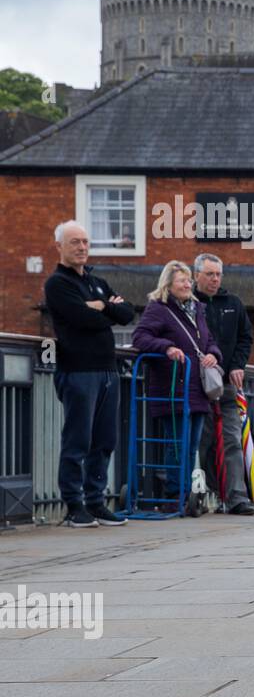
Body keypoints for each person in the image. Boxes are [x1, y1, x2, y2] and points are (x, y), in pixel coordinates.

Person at [44, 220, 134, 528]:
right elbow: (81, 318)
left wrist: (101, 306)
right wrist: (105, 309)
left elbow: (128, 314)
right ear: (59, 247)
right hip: (77, 370)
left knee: (105, 439)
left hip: (108, 370)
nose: (82, 247)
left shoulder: (97, 282)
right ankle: (74, 505)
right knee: (77, 439)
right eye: (74, 242)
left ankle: (96, 502)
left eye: (85, 242)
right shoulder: (57, 284)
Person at [131, 261, 222, 508]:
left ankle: (185, 494)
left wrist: (213, 353)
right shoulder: (158, 309)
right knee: (176, 444)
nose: (187, 284)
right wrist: (167, 347)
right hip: (172, 387)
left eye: (188, 280)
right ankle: (175, 494)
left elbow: (208, 339)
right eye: (182, 280)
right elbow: (140, 337)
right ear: (168, 284)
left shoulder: (197, 309)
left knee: (191, 446)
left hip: (198, 389)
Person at [193, 253, 254, 517]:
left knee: (232, 439)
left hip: (227, 383)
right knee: (201, 441)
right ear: (196, 275)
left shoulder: (233, 303)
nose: (215, 279)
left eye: (218, 274)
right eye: (209, 274)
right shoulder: (189, 303)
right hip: (196, 385)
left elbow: (246, 337)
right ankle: (199, 495)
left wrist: (237, 365)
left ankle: (236, 498)